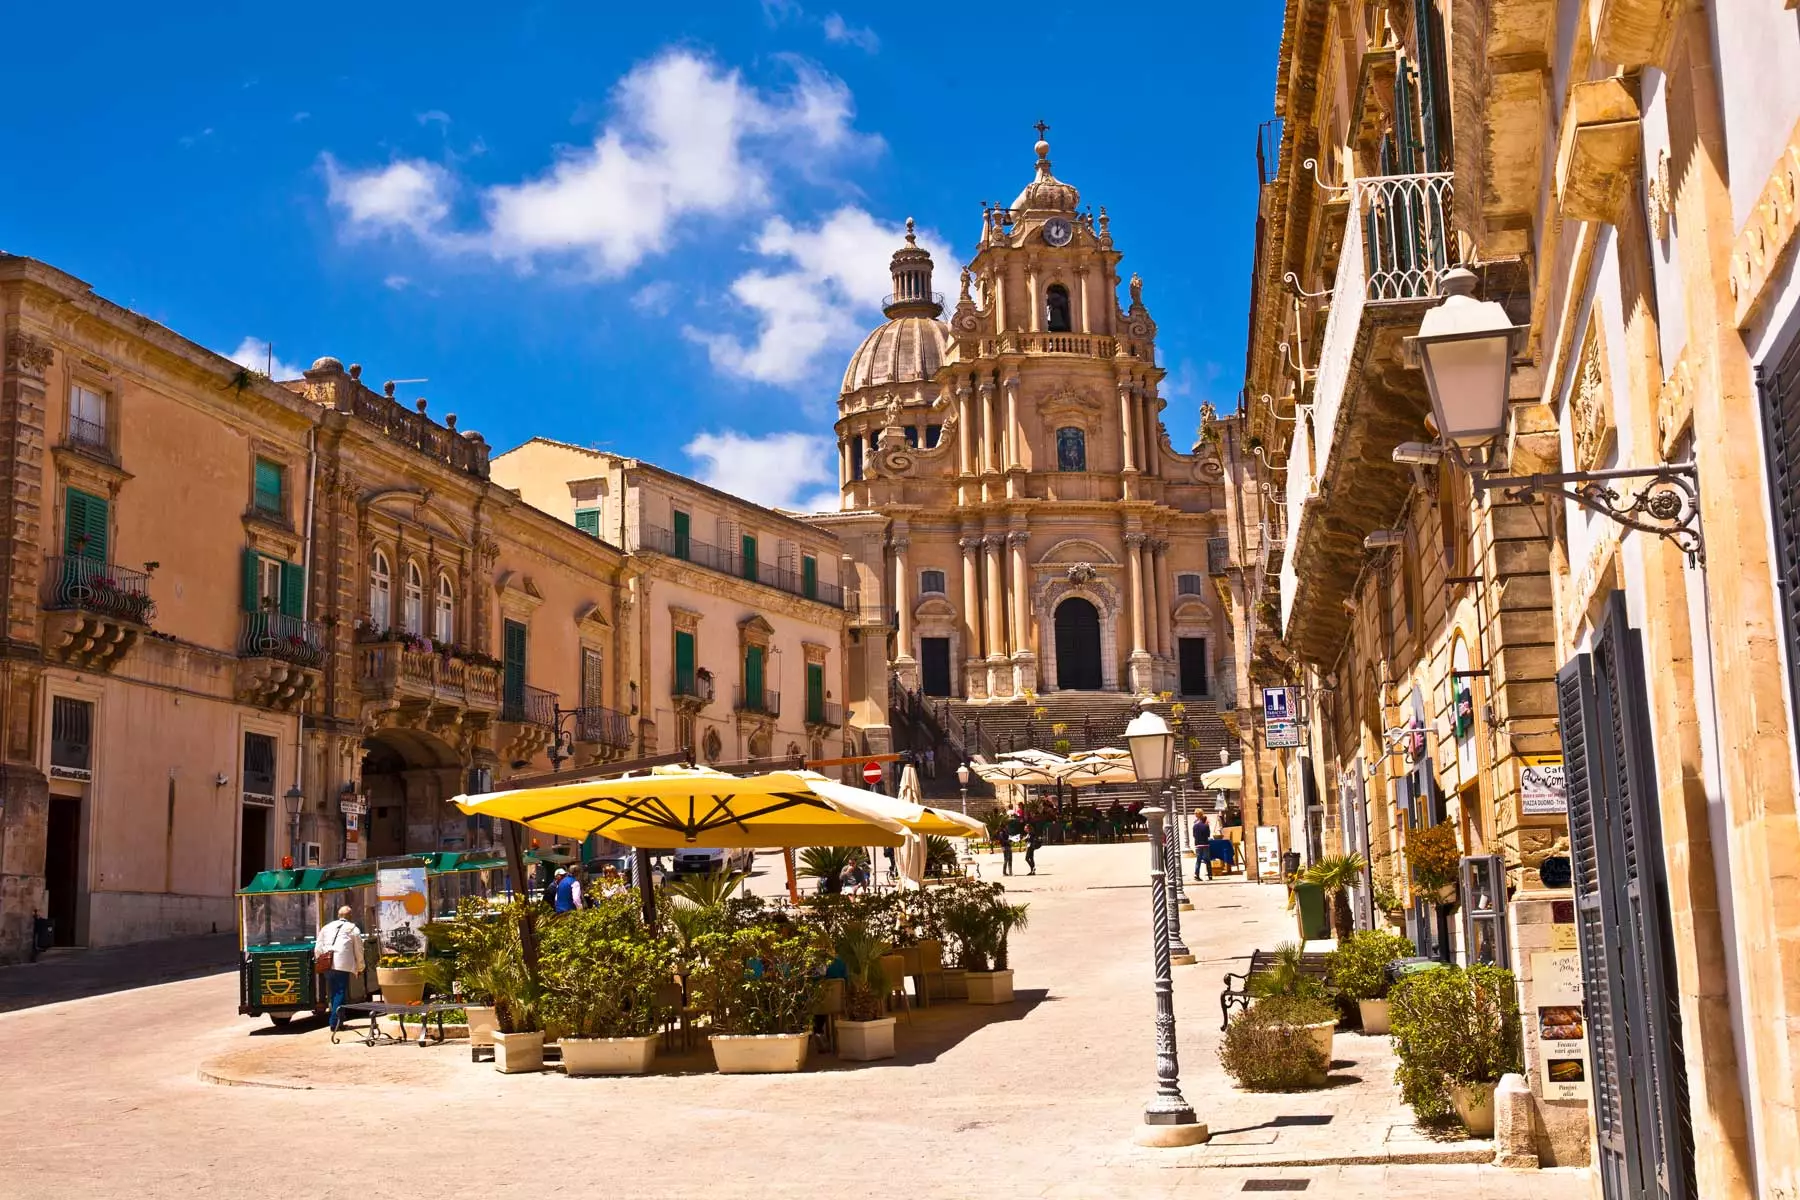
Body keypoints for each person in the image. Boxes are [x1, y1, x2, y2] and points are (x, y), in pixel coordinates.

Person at [313, 905, 365, 1031]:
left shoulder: (326, 927)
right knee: (340, 993)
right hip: (342, 964)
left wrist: (321, 960)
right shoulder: (353, 928)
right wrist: (360, 967)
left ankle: (337, 1020)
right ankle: (335, 1023)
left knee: (334, 993)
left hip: (328, 964)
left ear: (338, 915)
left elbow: (318, 948)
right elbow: (359, 950)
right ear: (350, 916)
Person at [1192, 814, 1212, 880]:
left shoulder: (1195, 826)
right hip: (1205, 844)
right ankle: (1210, 875)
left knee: (1198, 860)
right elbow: (1208, 835)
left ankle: (1196, 874)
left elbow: (1194, 835)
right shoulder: (1206, 826)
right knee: (1207, 860)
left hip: (1198, 845)